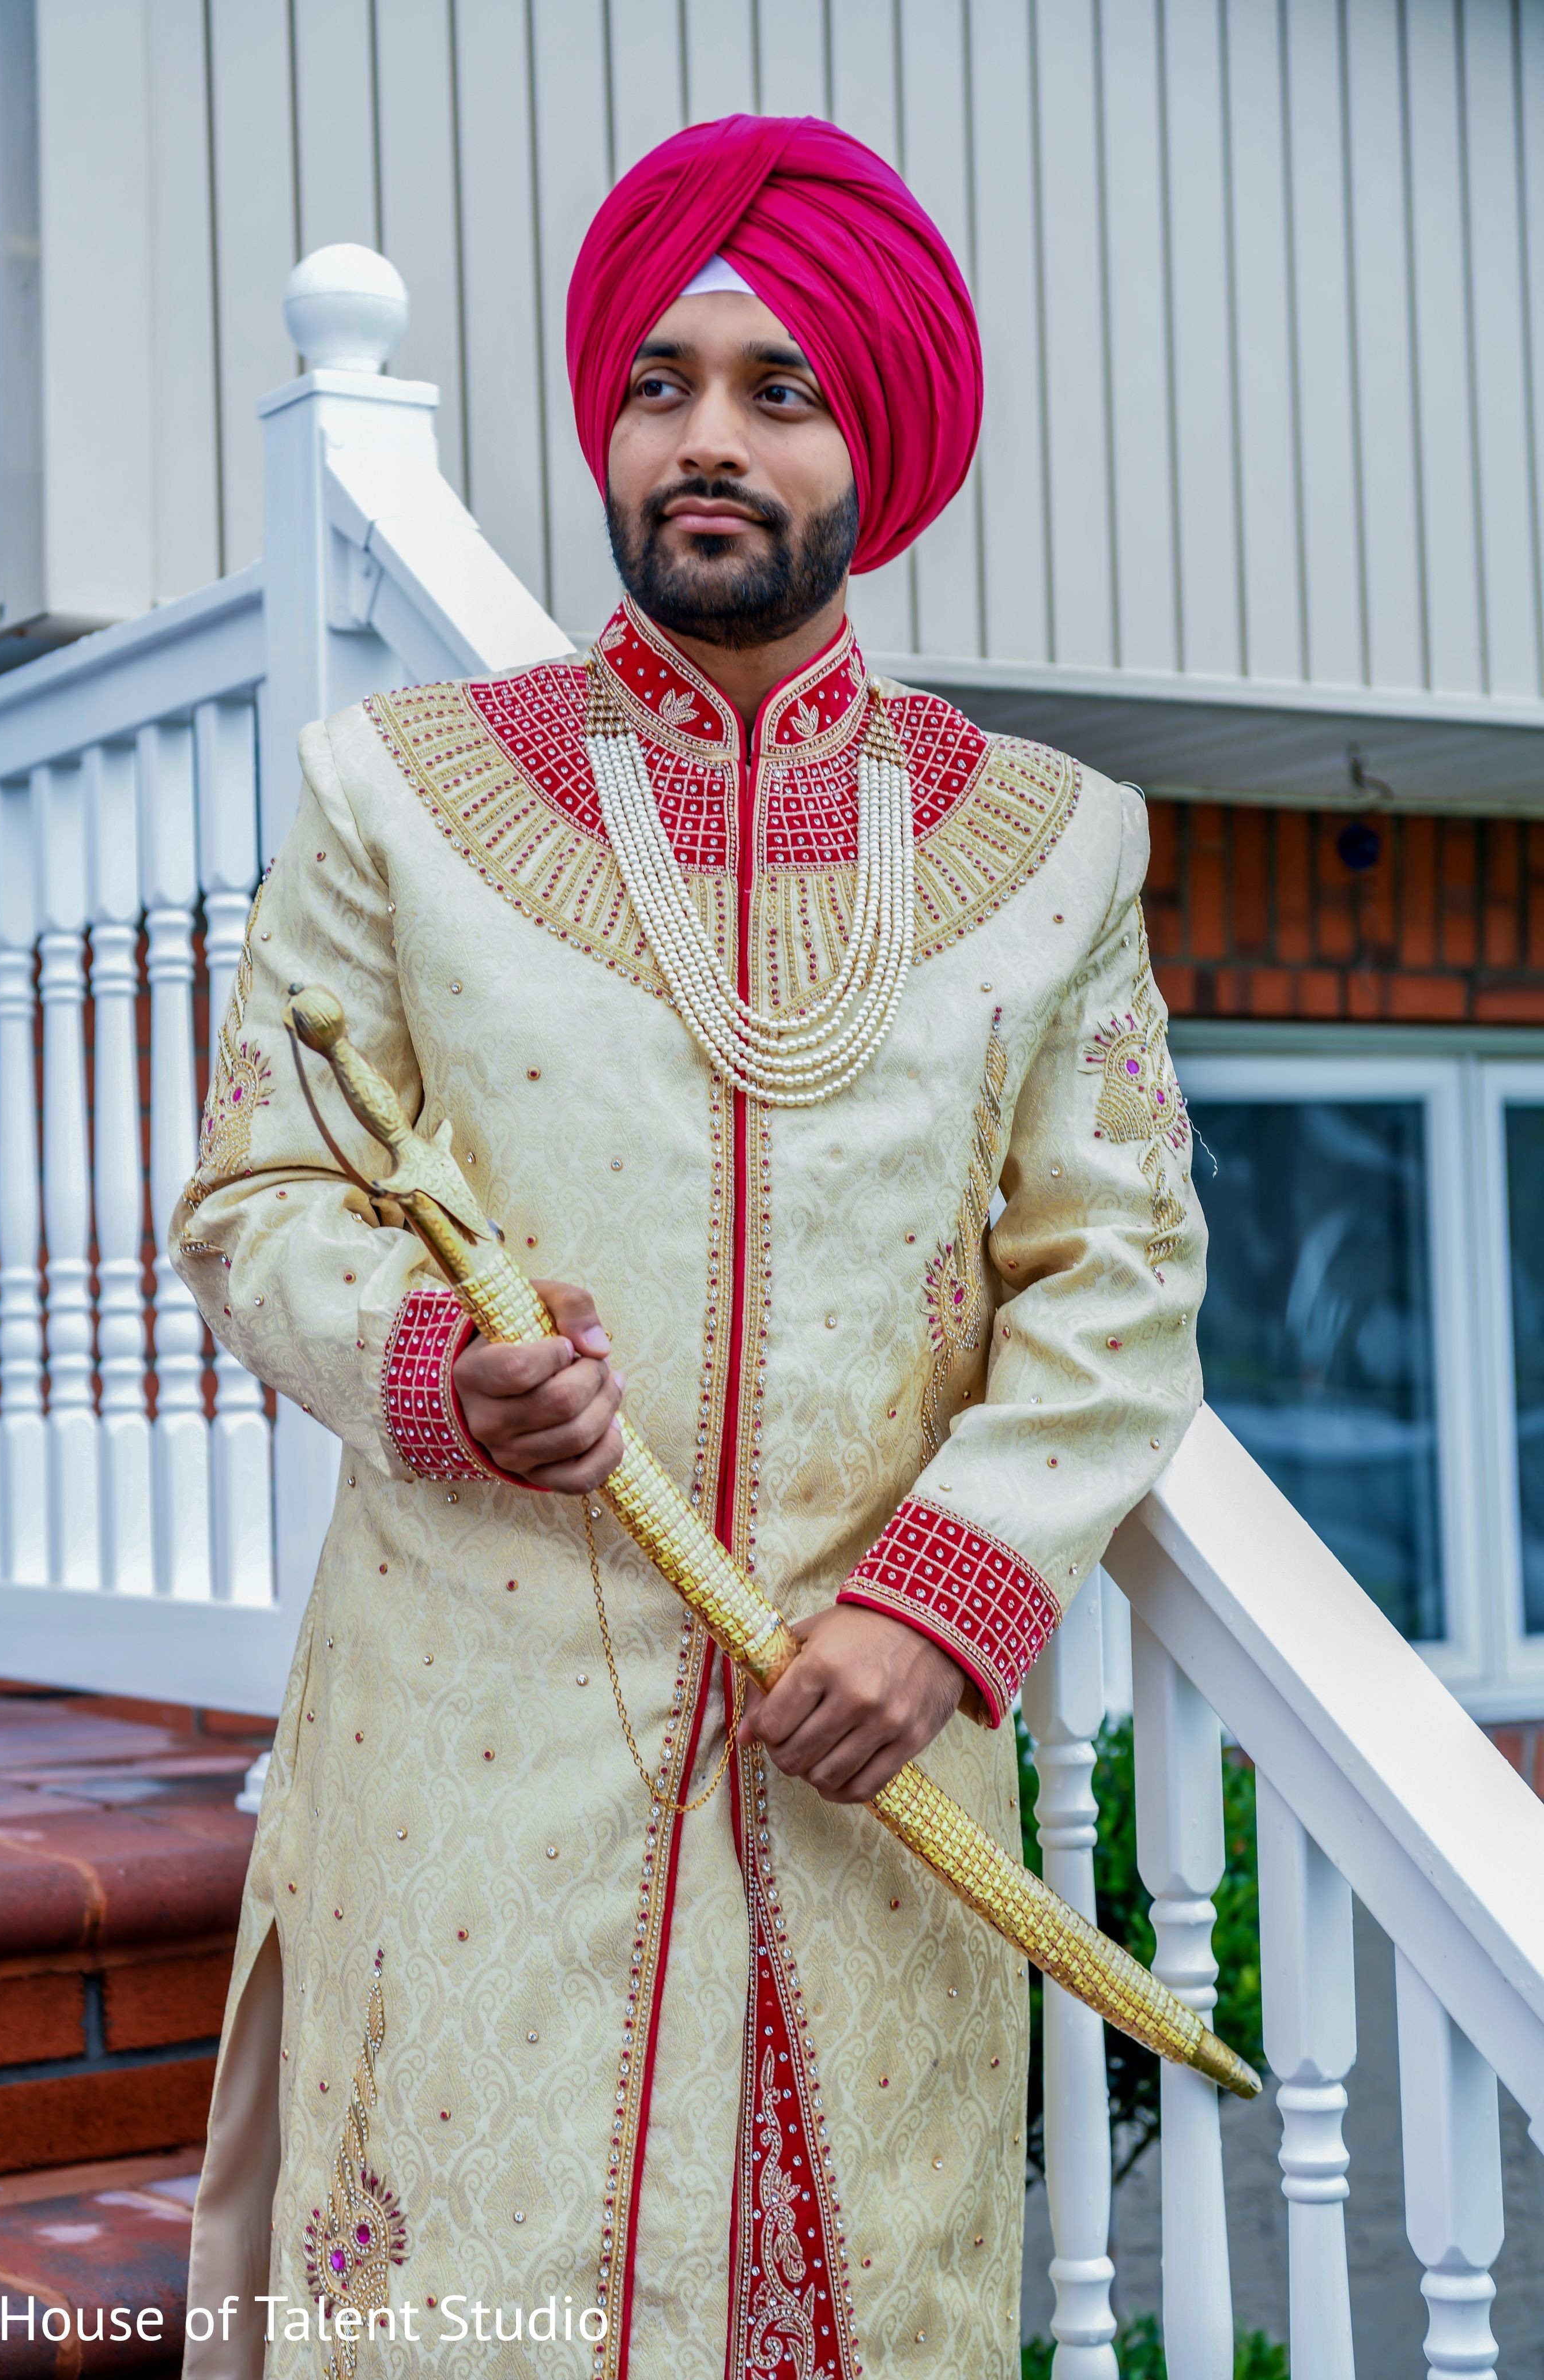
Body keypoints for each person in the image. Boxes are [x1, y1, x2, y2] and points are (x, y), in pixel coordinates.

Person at [175, 113, 1204, 2380]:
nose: (707, 440)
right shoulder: (401, 796)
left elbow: (1117, 1274)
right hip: (475, 1762)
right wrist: (441, 1361)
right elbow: (259, 1195)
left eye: (780, 388)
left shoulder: (1051, 852)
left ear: (879, 440)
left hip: (861, 1763)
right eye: (660, 386)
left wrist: (944, 1611)